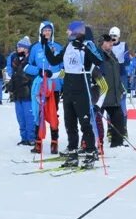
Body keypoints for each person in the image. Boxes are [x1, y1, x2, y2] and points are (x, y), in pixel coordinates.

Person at [43, 21, 104, 169]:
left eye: (69, 31)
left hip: (82, 88)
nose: (66, 33)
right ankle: (72, 153)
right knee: (69, 123)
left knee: (84, 124)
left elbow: (99, 60)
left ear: (76, 32)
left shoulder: (88, 45)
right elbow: (54, 60)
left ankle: (90, 152)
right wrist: (45, 45)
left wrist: (83, 48)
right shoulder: (68, 46)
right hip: (69, 89)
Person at [27, 21, 62, 155]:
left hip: (54, 86)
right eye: (45, 30)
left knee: (53, 114)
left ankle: (54, 143)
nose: (47, 32)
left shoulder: (58, 47)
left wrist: (62, 84)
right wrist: (37, 71)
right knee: (38, 114)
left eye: (49, 30)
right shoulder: (35, 47)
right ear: (41, 32)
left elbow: (63, 68)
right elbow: (27, 66)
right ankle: (38, 143)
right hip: (40, 86)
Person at [97, 34, 127, 148]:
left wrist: (120, 89)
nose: (111, 44)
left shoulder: (113, 56)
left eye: (112, 42)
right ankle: (94, 143)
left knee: (119, 118)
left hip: (114, 95)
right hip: (101, 94)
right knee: (96, 121)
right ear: (102, 43)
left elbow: (117, 74)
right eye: (109, 42)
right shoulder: (98, 55)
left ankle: (118, 142)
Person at [9, 37, 36, 145]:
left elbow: (32, 74)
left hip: (27, 92)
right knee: (20, 116)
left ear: (26, 49)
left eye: (21, 47)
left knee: (29, 116)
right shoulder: (15, 59)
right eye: (18, 46)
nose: (18, 48)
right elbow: (14, 73)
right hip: (17, 92)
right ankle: (24, 137)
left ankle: (31, 138)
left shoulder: (30, 59)